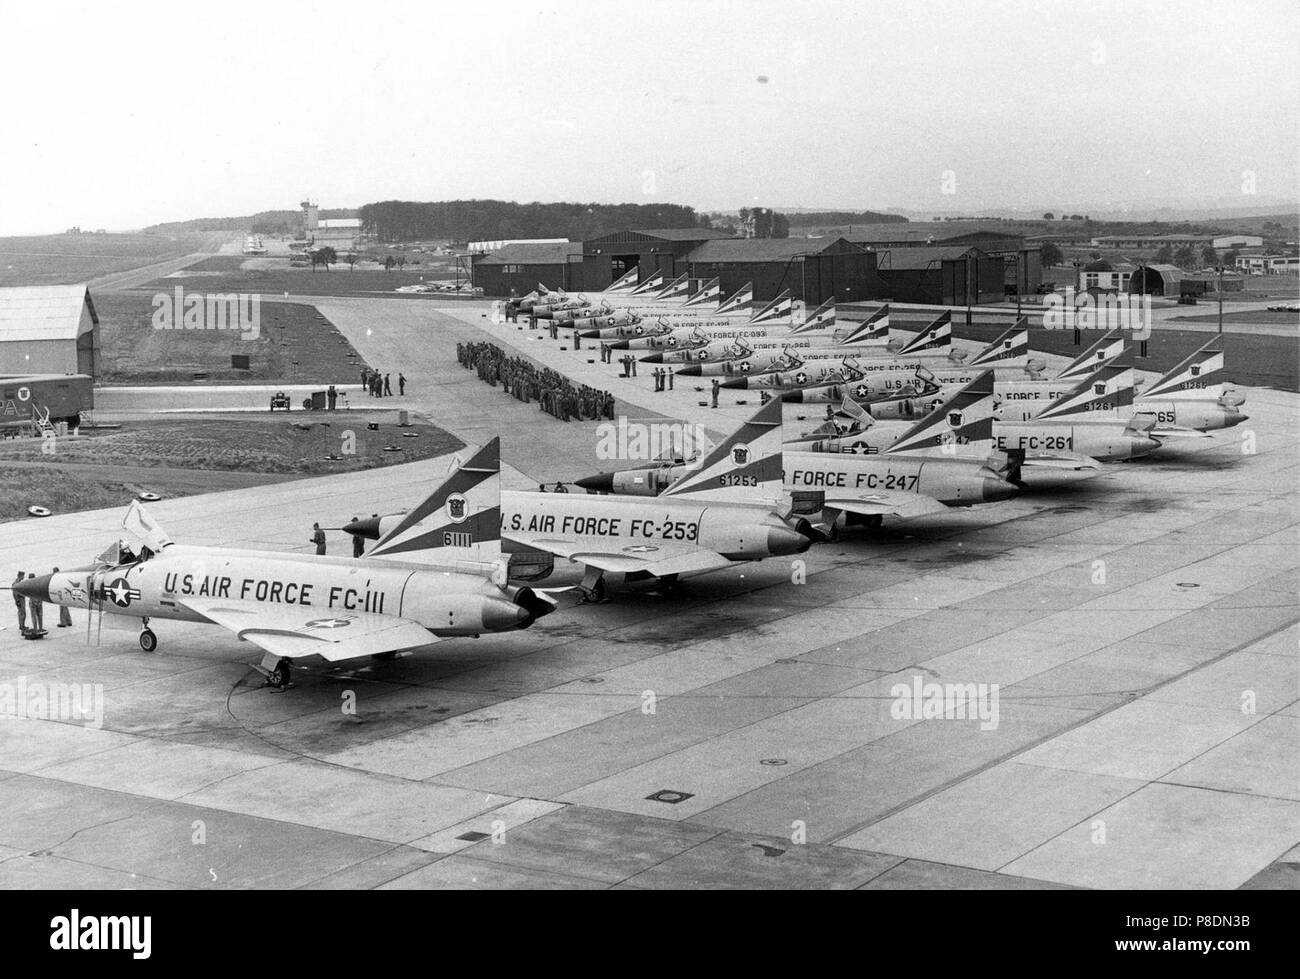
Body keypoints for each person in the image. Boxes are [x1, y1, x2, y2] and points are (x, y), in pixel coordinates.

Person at [12, 570, 26, 636]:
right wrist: (17, 601)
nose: (24, 577)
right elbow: (15, 593)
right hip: (20, 600)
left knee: (21, 613)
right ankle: (22, 626)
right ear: (21, 576)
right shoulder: (16, 583)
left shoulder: (18, 582)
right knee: (22, 613)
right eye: (23, 576)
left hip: (20, 599)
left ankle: (21, 625)